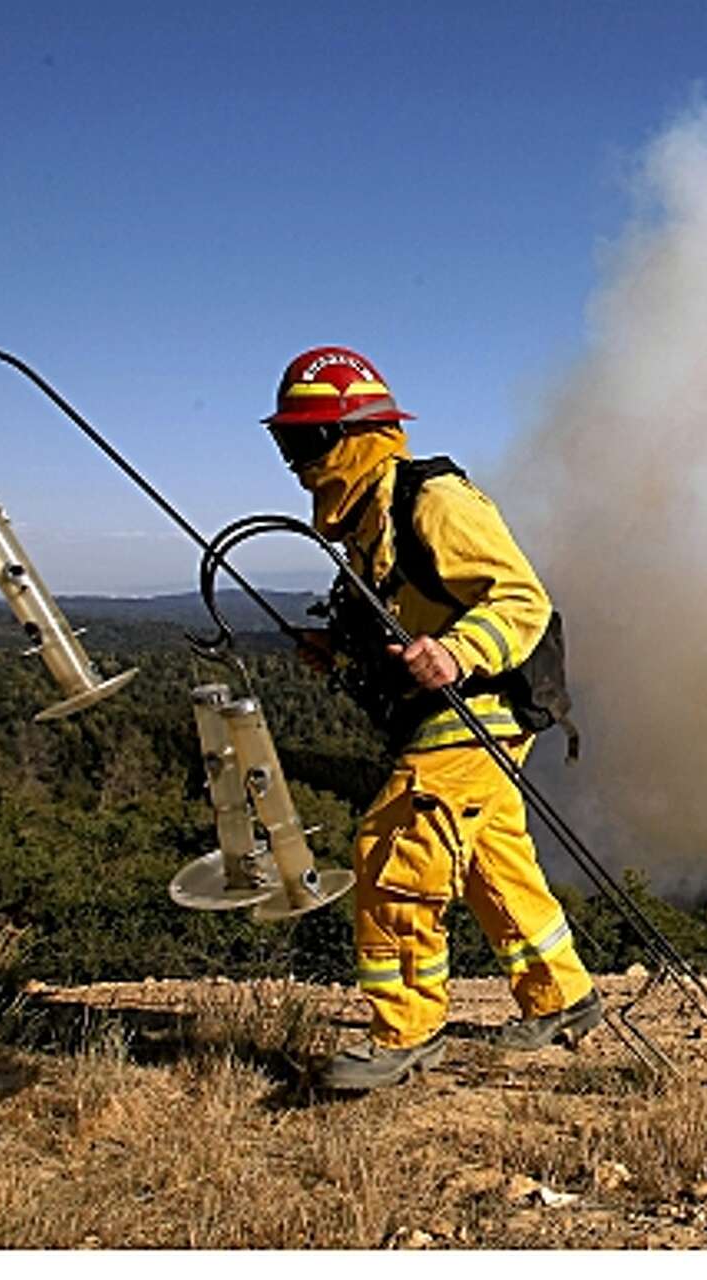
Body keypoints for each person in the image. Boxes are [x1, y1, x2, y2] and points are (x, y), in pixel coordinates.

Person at [261, 345, 601, 1092]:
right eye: (287, 442)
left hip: (478, 707)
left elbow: (522, 599)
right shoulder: (370, 519)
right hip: (447, 710)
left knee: (396, 848)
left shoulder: (435, 503)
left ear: (356, 435)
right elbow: (399, 612)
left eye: (308, 442)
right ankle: (563, 996)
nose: (297, 463)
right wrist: (336, 648)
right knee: (490, 859)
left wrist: (456, 653)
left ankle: (408, 1032)